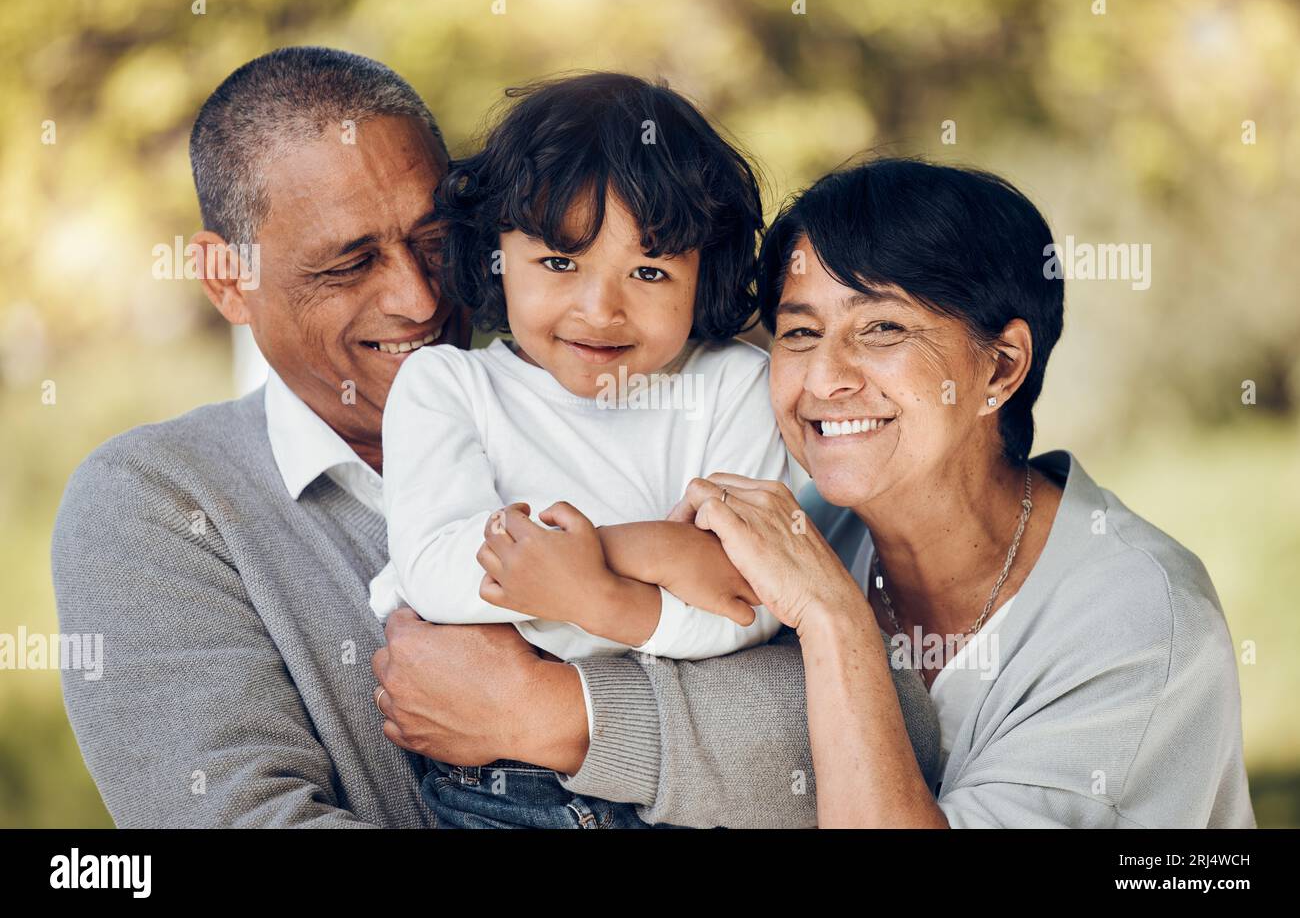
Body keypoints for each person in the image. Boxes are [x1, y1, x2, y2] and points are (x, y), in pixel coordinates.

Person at [51, 47, 941, 828]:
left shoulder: (727, 396)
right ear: (228, 279)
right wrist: (656, 572)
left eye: (435, 243)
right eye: (349, 262)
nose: (420, 299)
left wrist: (551, 709)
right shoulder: (158, 506)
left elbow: (888, 742)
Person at [668, 158, 1256, 827]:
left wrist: (833, 618)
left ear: (1001, 368)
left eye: (882, 328)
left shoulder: (1140, 621)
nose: (824, 377)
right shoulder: (804, 536)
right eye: (801, 332)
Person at [370, 72, 793, 827]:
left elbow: (752, 608)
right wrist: (655, 552)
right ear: (494, 251)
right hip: (501, 790)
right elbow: (434, 574)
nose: (600, 309)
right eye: (560, 263)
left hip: (696, 781)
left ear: (708, 275)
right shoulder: (446, 386)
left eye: (651, 271)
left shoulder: (735, 387)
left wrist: (597, 597)